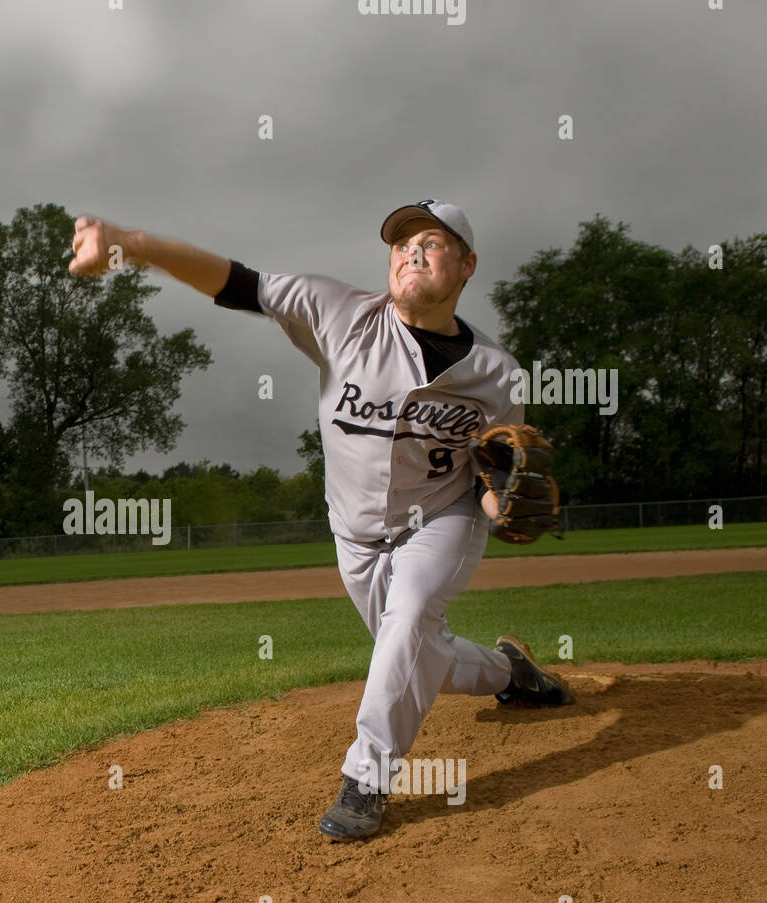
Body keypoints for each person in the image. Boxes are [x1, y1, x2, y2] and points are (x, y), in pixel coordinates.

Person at [68, 200, 575, 842]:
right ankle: (510, 672)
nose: (411, 252)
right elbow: (237, 283)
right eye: (401, 244)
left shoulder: (497, 374)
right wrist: (132, 244)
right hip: (355, 534)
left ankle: (367, 780)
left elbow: (488, 477)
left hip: (440, 519)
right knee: (418, 655)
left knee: (411, 619)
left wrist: (503, 508)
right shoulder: (338, 312)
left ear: (467, 264)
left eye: (431, 242)